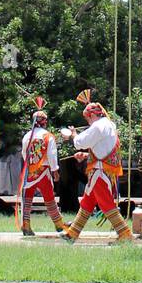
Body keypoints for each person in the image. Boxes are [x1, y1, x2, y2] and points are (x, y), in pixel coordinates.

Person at [59, 97, 133, 243]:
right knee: (87, 202)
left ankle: (125, 234)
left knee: (106, 204)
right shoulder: (109, 124)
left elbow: (80, 142)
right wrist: (87, 155)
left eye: (87, 119)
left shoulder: (98, 126)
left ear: (92, 115)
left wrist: (73, 134)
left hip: (99, 170)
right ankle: (72, 233)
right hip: (103, 168)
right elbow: (103, 149)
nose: (88, 122)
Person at [19, 100, 68, 236]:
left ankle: (26, 225)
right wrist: (55, 171)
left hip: (29, 171)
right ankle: (58, 223)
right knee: (49, 197)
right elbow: (52, 155)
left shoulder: (27, 136)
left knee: (27, 198)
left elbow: (24, 153)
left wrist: (30, 165)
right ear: (44, 122)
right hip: (43, 171)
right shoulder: (48, 136)